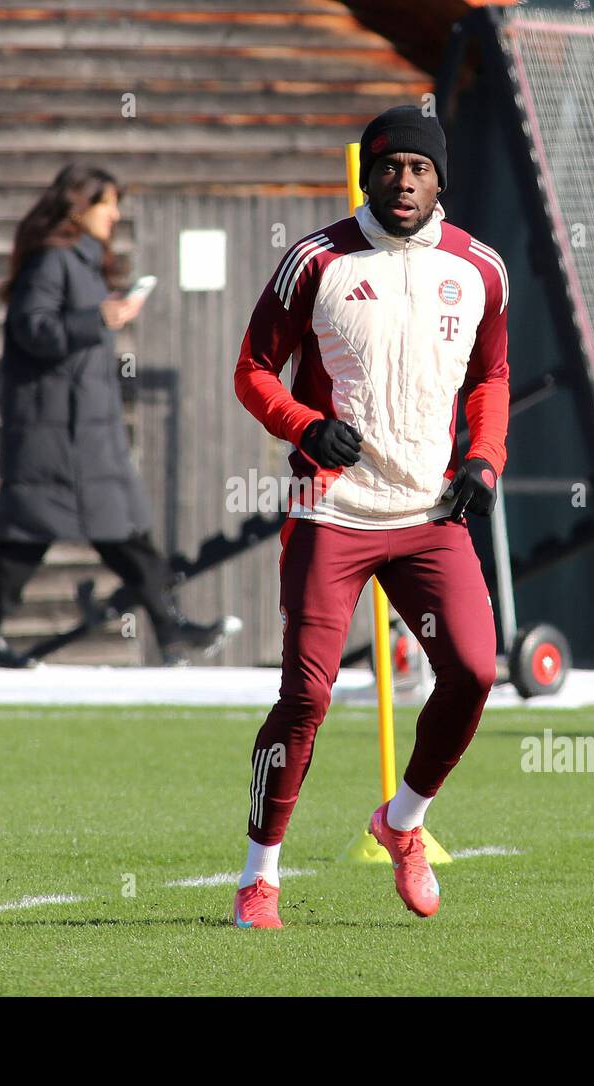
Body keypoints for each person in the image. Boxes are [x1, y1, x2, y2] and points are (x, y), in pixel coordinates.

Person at [230, 105, 509, 927]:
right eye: (390, 167)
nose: (405, 182)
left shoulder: (480, 268)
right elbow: (252, 370)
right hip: (333, 511)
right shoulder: (314, 260)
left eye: (420, 170)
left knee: (476, 671)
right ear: (368, 174)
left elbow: (492, 378)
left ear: (440, 180)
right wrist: (305, 426)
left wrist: (484, 459)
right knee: (306, 698)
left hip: (430, 514)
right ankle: (259, 877)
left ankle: (403, 823)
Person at [0, 164, 234, 668]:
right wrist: (98, 318)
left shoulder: (81, 264)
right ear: (78, 205)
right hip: (57, 434)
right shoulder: (53, 262)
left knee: (125, 531)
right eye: (106, 203)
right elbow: (32, 328)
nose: (115, 213)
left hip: (85, 430)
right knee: (28, 536)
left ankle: (170, 630)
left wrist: (101, 314)